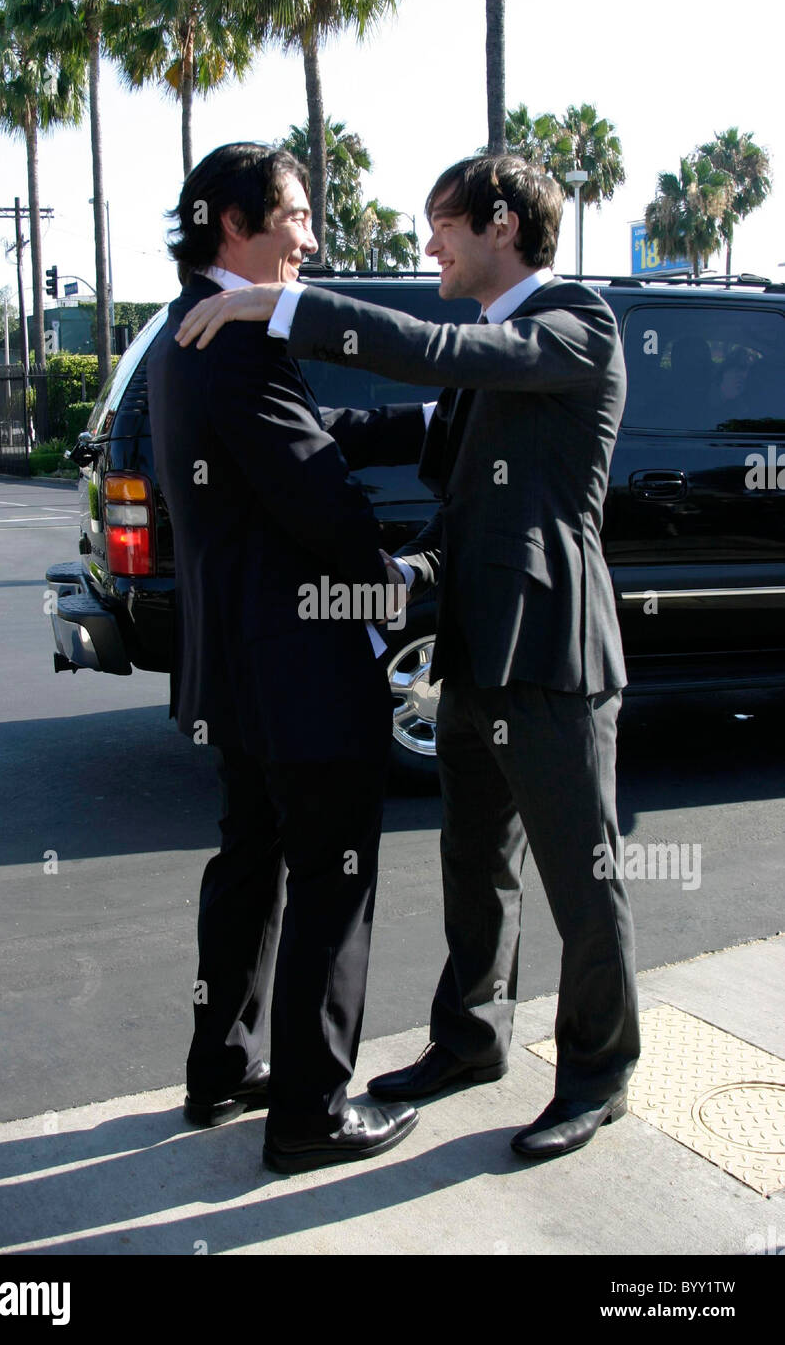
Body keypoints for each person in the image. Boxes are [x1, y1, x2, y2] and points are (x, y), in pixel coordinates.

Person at [175, 153, 642, 1160]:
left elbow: (429, 353)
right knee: (475, 864)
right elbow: (464, 509)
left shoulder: (572, 322)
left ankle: (596, 1073)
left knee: (580, 874)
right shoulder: (486, 347)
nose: (425, 243)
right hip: (472, 651)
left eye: (440, 225)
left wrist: (285, 307)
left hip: (552, 653)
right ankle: (471, 1038)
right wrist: (398, 573)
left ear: (502, 225)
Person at [148, 142, 426, 1173]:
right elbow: (312, 489)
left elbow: (309, 432)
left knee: (251, 864)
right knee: (331, 876)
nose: (311, 236)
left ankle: (220, 1067)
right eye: (295, 215)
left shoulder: (193, 331)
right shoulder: (237, 342)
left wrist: (428, 422)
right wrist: (389, 576)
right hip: (299, 670)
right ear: (233, 221)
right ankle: (310, 1108)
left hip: (237, 669)